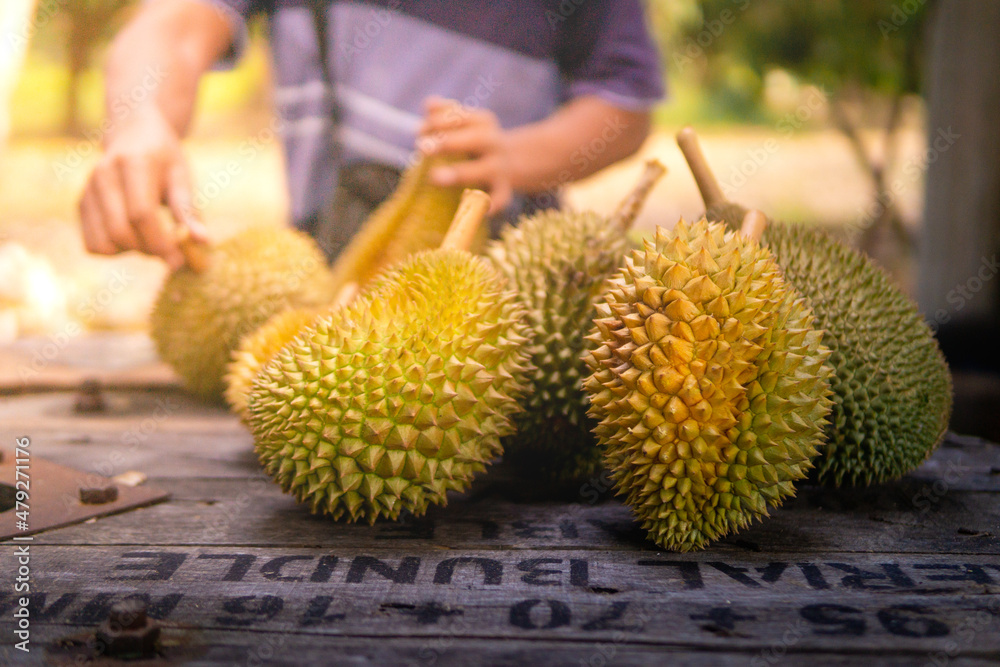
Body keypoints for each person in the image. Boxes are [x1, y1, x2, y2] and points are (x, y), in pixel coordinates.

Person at [79, 0, 665, 268]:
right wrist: (138, 121)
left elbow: (623, 103)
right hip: (325, 274)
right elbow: (173, 25)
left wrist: (515, 158)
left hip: (509, 282)